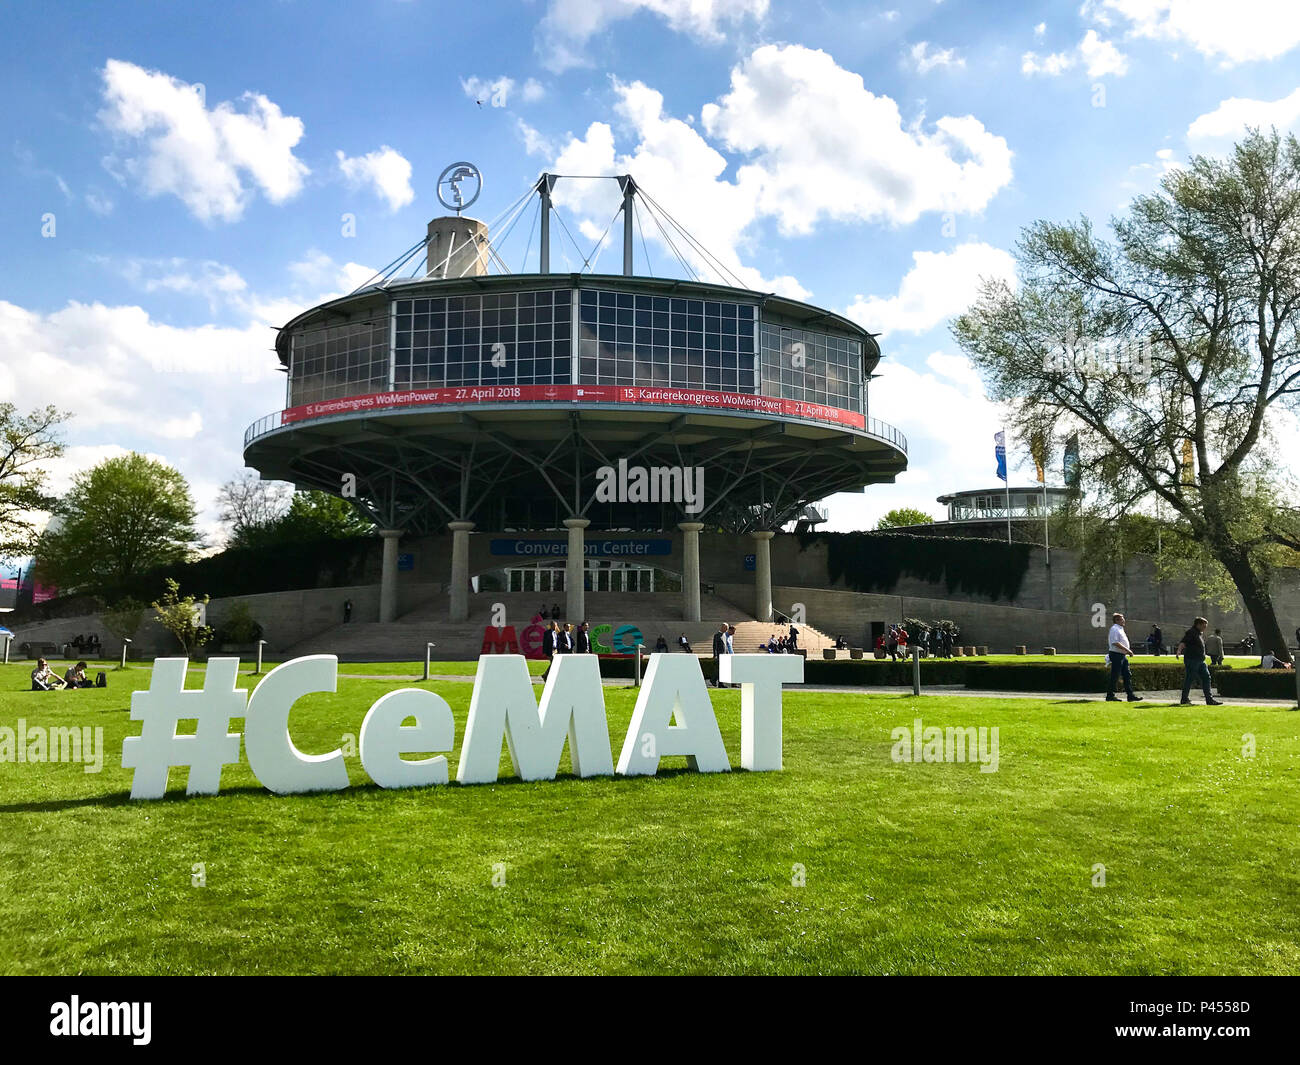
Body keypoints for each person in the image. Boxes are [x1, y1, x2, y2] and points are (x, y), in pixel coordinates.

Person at [1177, 617, 1222, 705]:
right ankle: (1184, 699)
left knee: (1206, 678)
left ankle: (1209, 700)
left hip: (1201, 660)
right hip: (1192, 659)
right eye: (1204, 625)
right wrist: (1179, 651)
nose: (1205, 627)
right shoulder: (1191, 632)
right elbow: (1183, 642)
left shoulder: (1199, 633)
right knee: (1189, 679)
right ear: (1198, 624)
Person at [1105, 611, 1144, 702]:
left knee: (1127, 675)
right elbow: (1115, 643)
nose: (1124, 621)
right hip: (1116, 655)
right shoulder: (1114, 629)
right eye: (1122, 619)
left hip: (1122, 655)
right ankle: (1110, 695)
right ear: (1117, 620)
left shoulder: (1120, 629)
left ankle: (1130, 695)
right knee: (1115, 675)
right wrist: (1128, 650)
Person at [711, 623, 727, 687]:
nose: (727, 629)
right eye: (726, 628)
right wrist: (715, 655)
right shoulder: (717, 635)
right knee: (719, 669)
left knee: (722, 670)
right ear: (722, 627)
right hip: (719, 655)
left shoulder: (724, 635)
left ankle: (721, 684)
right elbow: (715, 646)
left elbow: (725, 646)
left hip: (724, 655)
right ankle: (713, 680)